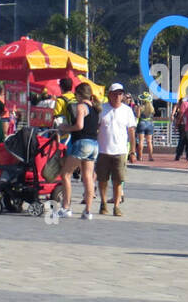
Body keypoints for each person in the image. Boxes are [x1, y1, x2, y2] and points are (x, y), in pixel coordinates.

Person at [57, 81, 100, 219]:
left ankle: (66, 207)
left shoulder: (81, 106)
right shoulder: (94, 108)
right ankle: (88, 211)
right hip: (94, 144)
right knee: (88, 177)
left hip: (82, 143)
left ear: (80, 94)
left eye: (76, 94)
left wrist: (65, 128)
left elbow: (79, 125)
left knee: (66, 174)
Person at [95, 83, 138, 215]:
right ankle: (103, 203)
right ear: (109, 95)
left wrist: (133, 151)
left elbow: (131, 131)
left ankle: (116, 205)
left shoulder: (127, 111)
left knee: (118, 180)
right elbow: (95, 129)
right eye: (115, 93)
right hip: (103, 150)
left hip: (120, 151)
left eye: (120, 93)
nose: (117, 96)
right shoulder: (102, 109)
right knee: (102, 180)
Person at [134, 92, 156, 163]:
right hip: (150, 123)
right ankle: (150, 156)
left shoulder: (140, 107)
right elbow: (153, 115)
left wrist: (137, 109)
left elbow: (137, 116)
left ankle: (140, 156)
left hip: (142, 123)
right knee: (149, 142)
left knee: (141, 141)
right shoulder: (152, 108)